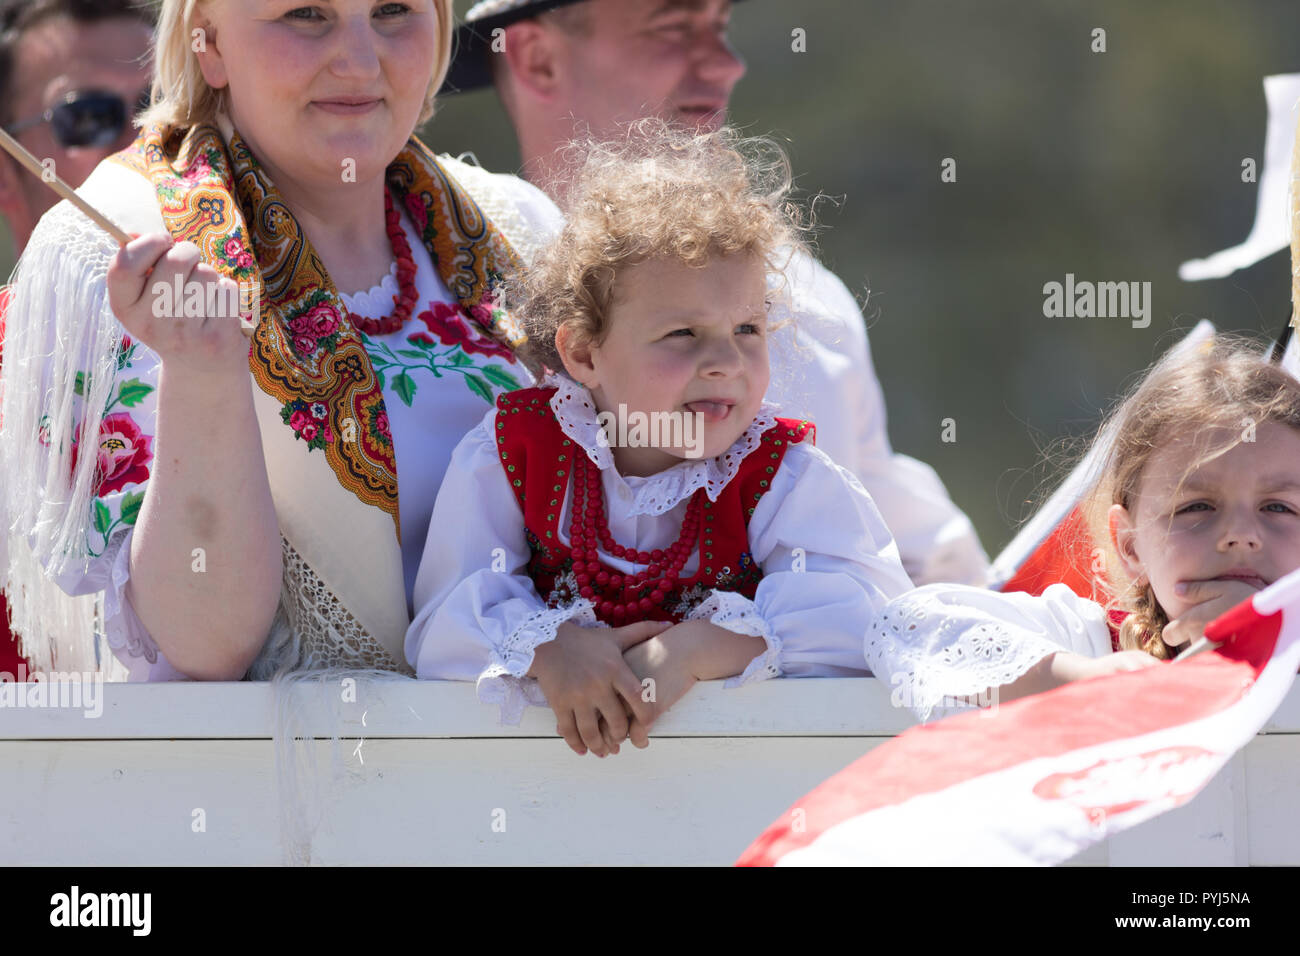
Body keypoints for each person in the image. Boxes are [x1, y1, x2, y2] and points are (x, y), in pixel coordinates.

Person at [0, 0, 559, 681]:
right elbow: (204, 644)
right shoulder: (107, 251)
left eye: (393, 11)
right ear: (208, 44)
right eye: (305, 14)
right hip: (267, 782)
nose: (359, 58)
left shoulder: (524, 229)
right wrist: (203, 378)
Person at [437, 0, 992, 588]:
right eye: (674, 26)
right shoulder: (433, 303)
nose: (727, 64)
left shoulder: (809, 301)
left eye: (720, 26)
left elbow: (915, 563)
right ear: (538, 59)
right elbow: (455, 613)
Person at [408, 122, 914, 757]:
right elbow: (444, 616)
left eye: (748, 329)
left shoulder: (779, 474)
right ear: (585, 352)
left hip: (738, 786)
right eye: (683, 334)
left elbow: (870, 619)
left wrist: (701, 647)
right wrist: (549, 648)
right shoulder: (517, 451)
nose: (726, 361)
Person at [865, 335, 1300, 721]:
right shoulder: (1089, 643)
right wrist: (1079, 681)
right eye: (1198, 506)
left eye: (1279, 507)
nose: (1241, 534)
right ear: (1130, 546)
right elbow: (901, 628)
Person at [0, 0, 155, 678]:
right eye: (88, 116)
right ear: (7, 178)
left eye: (160, 107)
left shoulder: (284, 337)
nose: (138, 144)